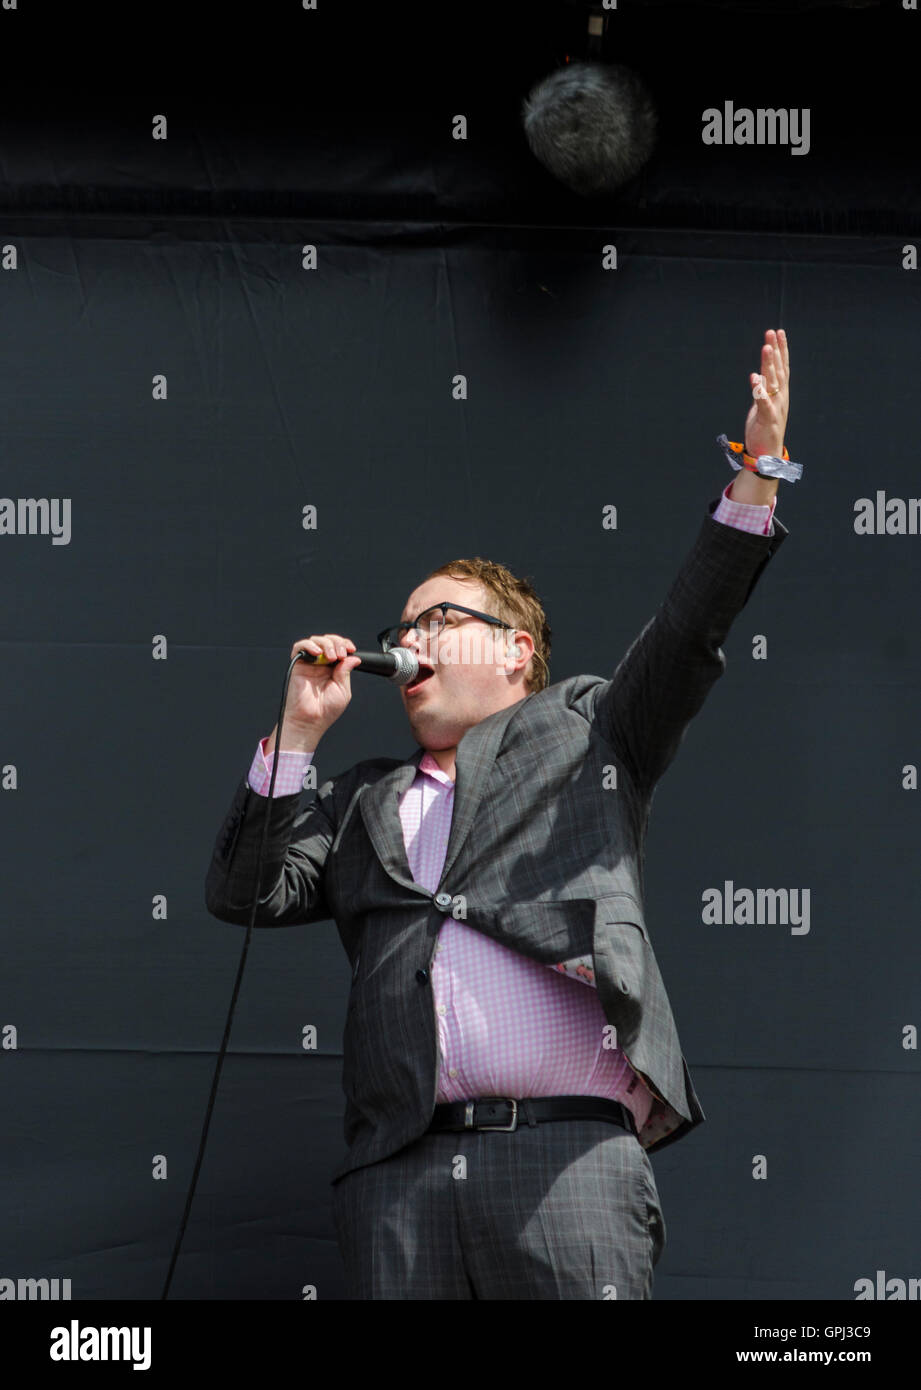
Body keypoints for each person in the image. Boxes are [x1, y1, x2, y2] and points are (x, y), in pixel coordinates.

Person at [206, 329, 793, 1299]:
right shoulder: (363, 798)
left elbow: (691, 631)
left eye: (440, 619)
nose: (410, 640)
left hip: (564, 1163)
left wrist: (760, 471)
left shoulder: (590, 729)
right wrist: (297, 739)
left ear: (517, 651)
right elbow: (246, 894)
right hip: (402, 1176)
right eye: (403, 628)